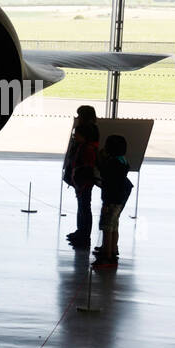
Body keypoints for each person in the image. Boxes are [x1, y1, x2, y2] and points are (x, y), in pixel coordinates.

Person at [93, 134, 133, 268]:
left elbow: (107, 178)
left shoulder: (112, 163)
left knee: (106, 227)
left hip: (111, 199)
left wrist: (106, 203)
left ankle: (107, 256)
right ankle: (113, 250)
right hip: (120, 197)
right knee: (114, 225)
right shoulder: (122, 160)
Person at [64, 105, 100, 249]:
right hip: (84, 174)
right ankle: (82, 233)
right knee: (83, 205)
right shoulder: (94, 131)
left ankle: (84, 235)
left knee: (84, 205)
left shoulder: (85, 139)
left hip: (83, 175)